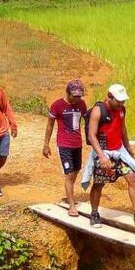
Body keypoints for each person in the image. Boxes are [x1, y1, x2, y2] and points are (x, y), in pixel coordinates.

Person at [81, 84, 135, 228]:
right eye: (118, 101)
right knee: (99, 183)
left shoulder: (121, 110)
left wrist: (128, 149)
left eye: (123, 101)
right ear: (110, 97)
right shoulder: (98, 110)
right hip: (103, 152)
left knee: (132, 177)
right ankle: (94, 213)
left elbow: (122, 129)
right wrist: (101, 157)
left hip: (119, 152)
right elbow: (91, 135)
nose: (121, 103)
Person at [43, 80, 88, 217]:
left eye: (79, 96)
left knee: (76, 170)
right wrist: (46, 144)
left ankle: (70, 193)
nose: (77, 99)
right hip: (64, 144)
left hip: (77, 143)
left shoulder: (81, 104)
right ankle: (72, 205)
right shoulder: (57, 105)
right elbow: (50, 124)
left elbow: (88, 120)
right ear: (68, 93)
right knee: (69, 174)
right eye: (75, 96)